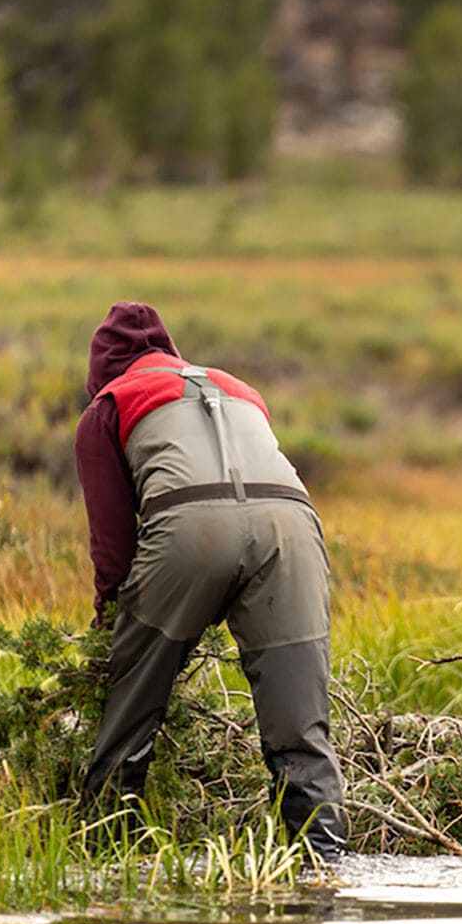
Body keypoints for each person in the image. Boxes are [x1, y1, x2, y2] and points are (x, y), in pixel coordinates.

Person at [74, 301, 347, 859]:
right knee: (302, 731)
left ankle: (101, 865)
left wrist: (112, 627)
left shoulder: (109, 405)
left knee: (128, 717)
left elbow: (113, 546)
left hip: (189, 527)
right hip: (291, 527)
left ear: (102, 370)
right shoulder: (240, 390)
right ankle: (322, 876)